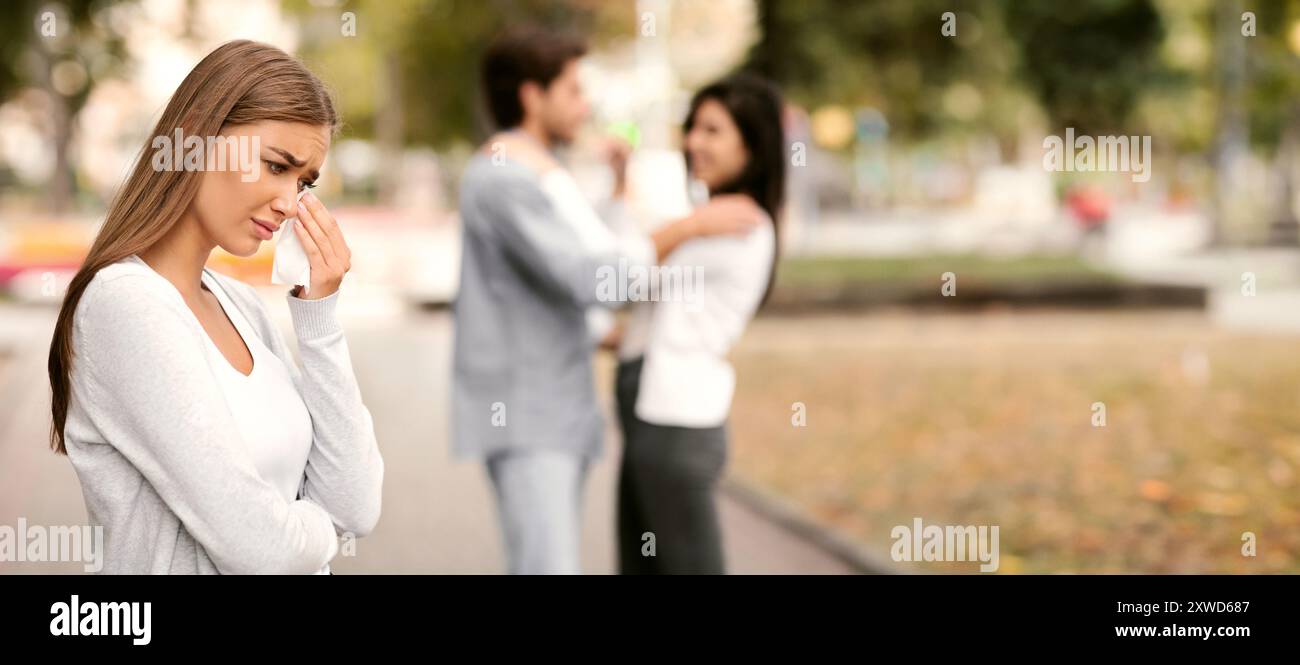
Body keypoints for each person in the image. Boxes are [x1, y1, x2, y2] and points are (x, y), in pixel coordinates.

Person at [46, 40, 384, 574]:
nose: (290, 204)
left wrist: (318, 319)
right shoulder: (125, 305)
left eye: (304, 182)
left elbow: (358, 503)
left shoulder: (241, 306)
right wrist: (322, 525)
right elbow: (259, 549)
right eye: (276, 166)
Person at [453, 25, 765, 574]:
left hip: (554, 408)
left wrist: (620, 191)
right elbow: (589, 278)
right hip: (529, 413)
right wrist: (688, 227)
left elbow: (561, 271)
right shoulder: (505, 178)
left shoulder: (538, 171)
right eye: (574, 90)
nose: (586, 104)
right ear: (532, 95)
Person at [615, 74, 786, 574]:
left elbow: (620, 280)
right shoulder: (709, 219)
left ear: (753, 147)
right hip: (651, 419)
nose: (692, 142)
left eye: (712, 131)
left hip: (675, 426)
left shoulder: (737, 225)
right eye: (692, 128)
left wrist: (687, 226)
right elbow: (643, 297)